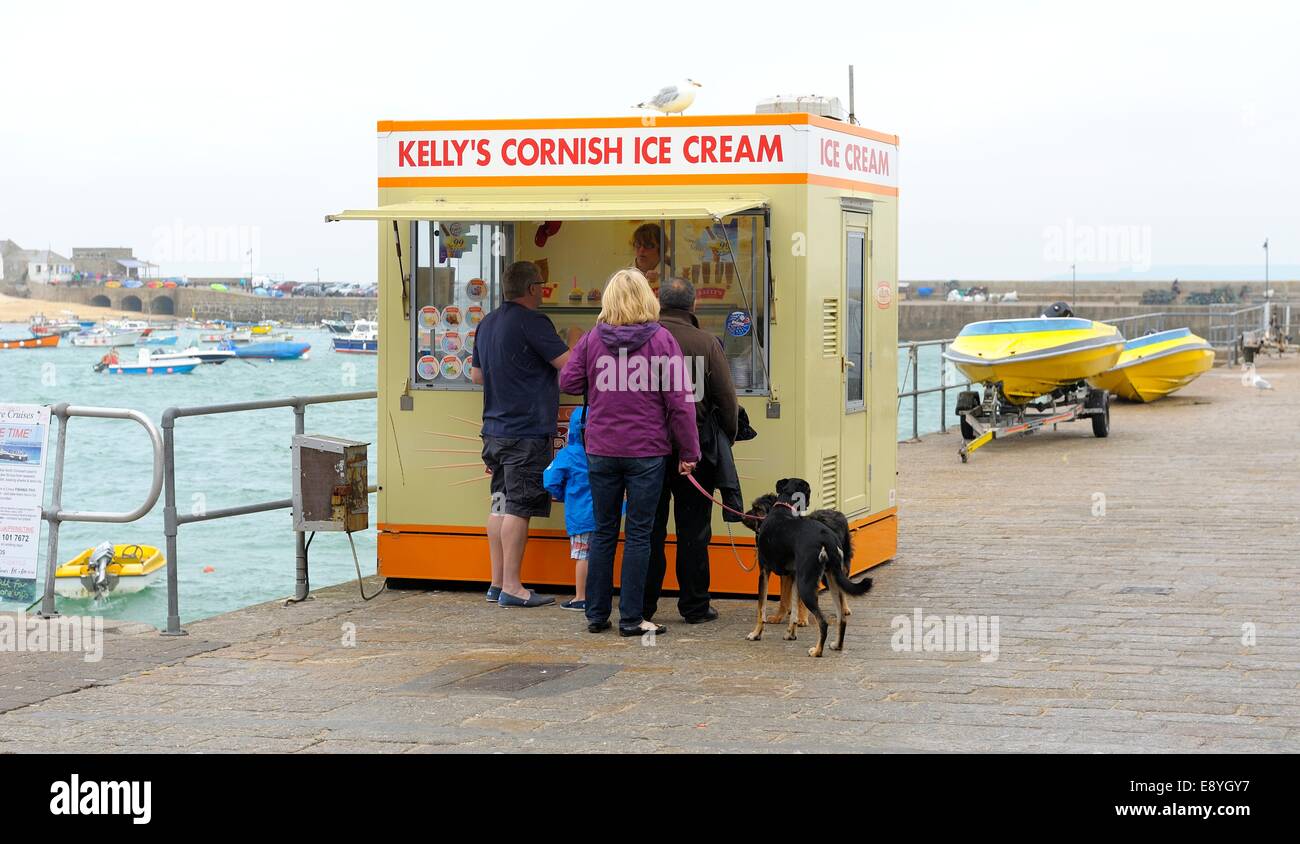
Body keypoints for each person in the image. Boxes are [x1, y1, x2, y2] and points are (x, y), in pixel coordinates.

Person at [559, 268, 700, 637]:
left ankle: (595, 613)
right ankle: (633, 618)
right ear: (647, 300)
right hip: (647, 452)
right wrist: (689, 451)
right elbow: (680, 402)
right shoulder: (662, 340)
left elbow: (569, 381)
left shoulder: (592, 340)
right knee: (639, 534)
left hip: (601, 450)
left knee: (604, 532)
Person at [470, 260, 570, 608]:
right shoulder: (533, 322)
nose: (543, 291)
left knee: (499, 502)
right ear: (532, 289)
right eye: (541, 285)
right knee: (519, 507)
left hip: (494, 432)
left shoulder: (487, 323)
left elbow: (477, 376)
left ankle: (496, 583)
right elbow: (568, 365)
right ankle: (514, 586)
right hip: (525, 431)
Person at [644, 277, 739, 624]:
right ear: (693, 306)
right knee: (694, 531)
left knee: (650, 530)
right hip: (695, 450)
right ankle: (695, 606)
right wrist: (724, 439)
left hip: (649, 450)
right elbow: (727, 400)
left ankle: (644, 606)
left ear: (658, 304)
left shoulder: (644, 339)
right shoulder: (706, 342)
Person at [542, 407, 594, 611]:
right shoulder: (604, 453)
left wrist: (563, 495)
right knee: (601, 555)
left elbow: (550, 479)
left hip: (580, 515)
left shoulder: (569, 454)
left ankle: (581, 597)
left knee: (583, 557)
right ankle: (599, 594)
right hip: (607, 514)